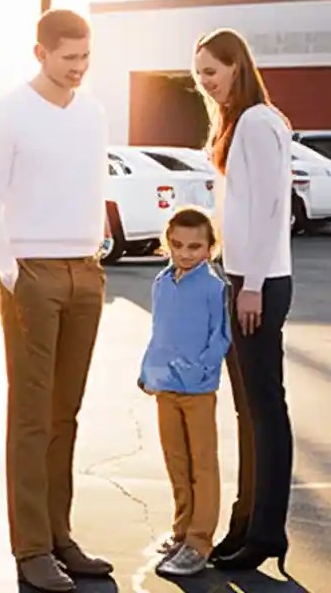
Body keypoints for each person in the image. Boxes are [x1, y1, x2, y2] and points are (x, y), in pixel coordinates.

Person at [0, 9, 113, 592]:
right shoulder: (6, 114)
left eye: (85, 58)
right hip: (31, 271)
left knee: (66, 414)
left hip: (86, 272)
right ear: (40, 53)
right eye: (68, 58)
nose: (79, 69)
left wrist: (95, 252)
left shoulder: (94, 114)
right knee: (31, 417)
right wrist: (11, 273)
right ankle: (30, 549)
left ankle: (60, 536)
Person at [192, 28, 295, 573]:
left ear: (237, 65)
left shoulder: (257, 122)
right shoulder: (240, 121)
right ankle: (246, 523)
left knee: (265, 411)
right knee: (249, 412)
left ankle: (266, 530)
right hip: (243, 279)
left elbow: (273, 208)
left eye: (213, 71)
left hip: (260, 283)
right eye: (199, 75)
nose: (206, 83)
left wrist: (251, 282)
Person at [136, 207, 231, 577]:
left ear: (210, 248)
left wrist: (199, 371)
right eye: (177, 245)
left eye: (195, 246)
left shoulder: (212, 286)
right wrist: (148, 372)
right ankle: (180, 531)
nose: (186, 253)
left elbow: (220, 336)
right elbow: (158, 334)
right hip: (165, 389)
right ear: (167, 243)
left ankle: (199, 541)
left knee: (202, 464)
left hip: (197, 391)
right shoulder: (161, 283)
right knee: (176, 461)